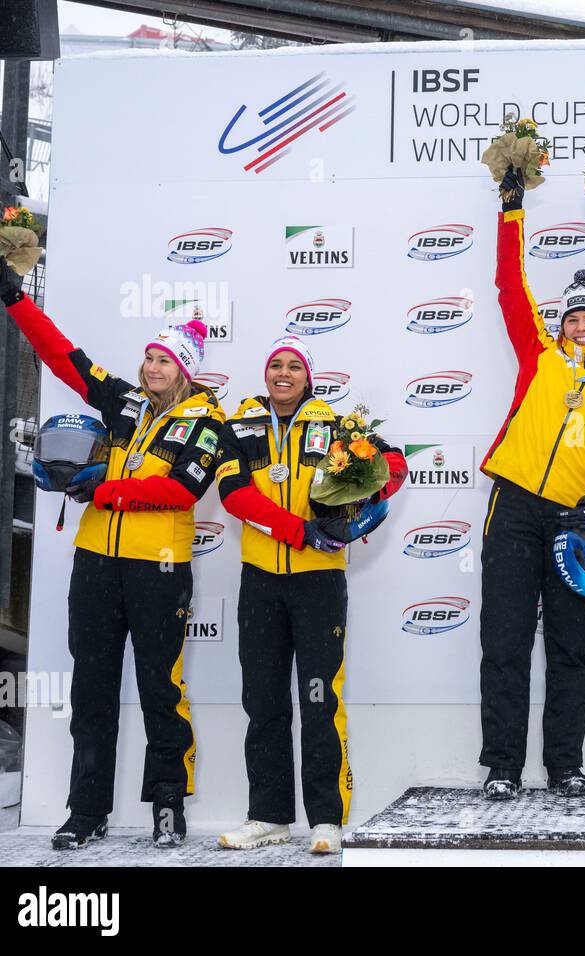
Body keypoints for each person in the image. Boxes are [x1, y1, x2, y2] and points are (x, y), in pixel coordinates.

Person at [0, 258, 224, 849]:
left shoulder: (210, 422)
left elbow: (181, 490)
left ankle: (168, 806)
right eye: (149, 356)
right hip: (95, 563)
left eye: (164, 360)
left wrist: (105, 488)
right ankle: (85, 810)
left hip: (158, 571)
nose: (150, 367)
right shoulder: (121, 401)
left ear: (186, 371)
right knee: (91, 693)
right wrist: (15, 300)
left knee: (160, 693)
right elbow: (62, 355)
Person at [214, 335, 406, 853]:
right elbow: (234, 497)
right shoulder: (239, 426)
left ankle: (326, 819)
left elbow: (392, 463)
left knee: (320, 699)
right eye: (274, 364)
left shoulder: (334, 424)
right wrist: (299, 531)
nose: (282, 374)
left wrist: (360, 511)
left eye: (292, 366)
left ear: (307, 376)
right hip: (260, 579)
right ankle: (268, 816)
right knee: (264, 701)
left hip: (319, 581)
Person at [478, 169, 585, 800]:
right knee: (505, 642)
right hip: (512, 507)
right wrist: (511, 209)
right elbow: (509, 287)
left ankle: (565, 764)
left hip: (574, 520)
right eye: (572, 318)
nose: (580, 327)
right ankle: (502, 768)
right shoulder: (537, 355)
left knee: (572, 648)